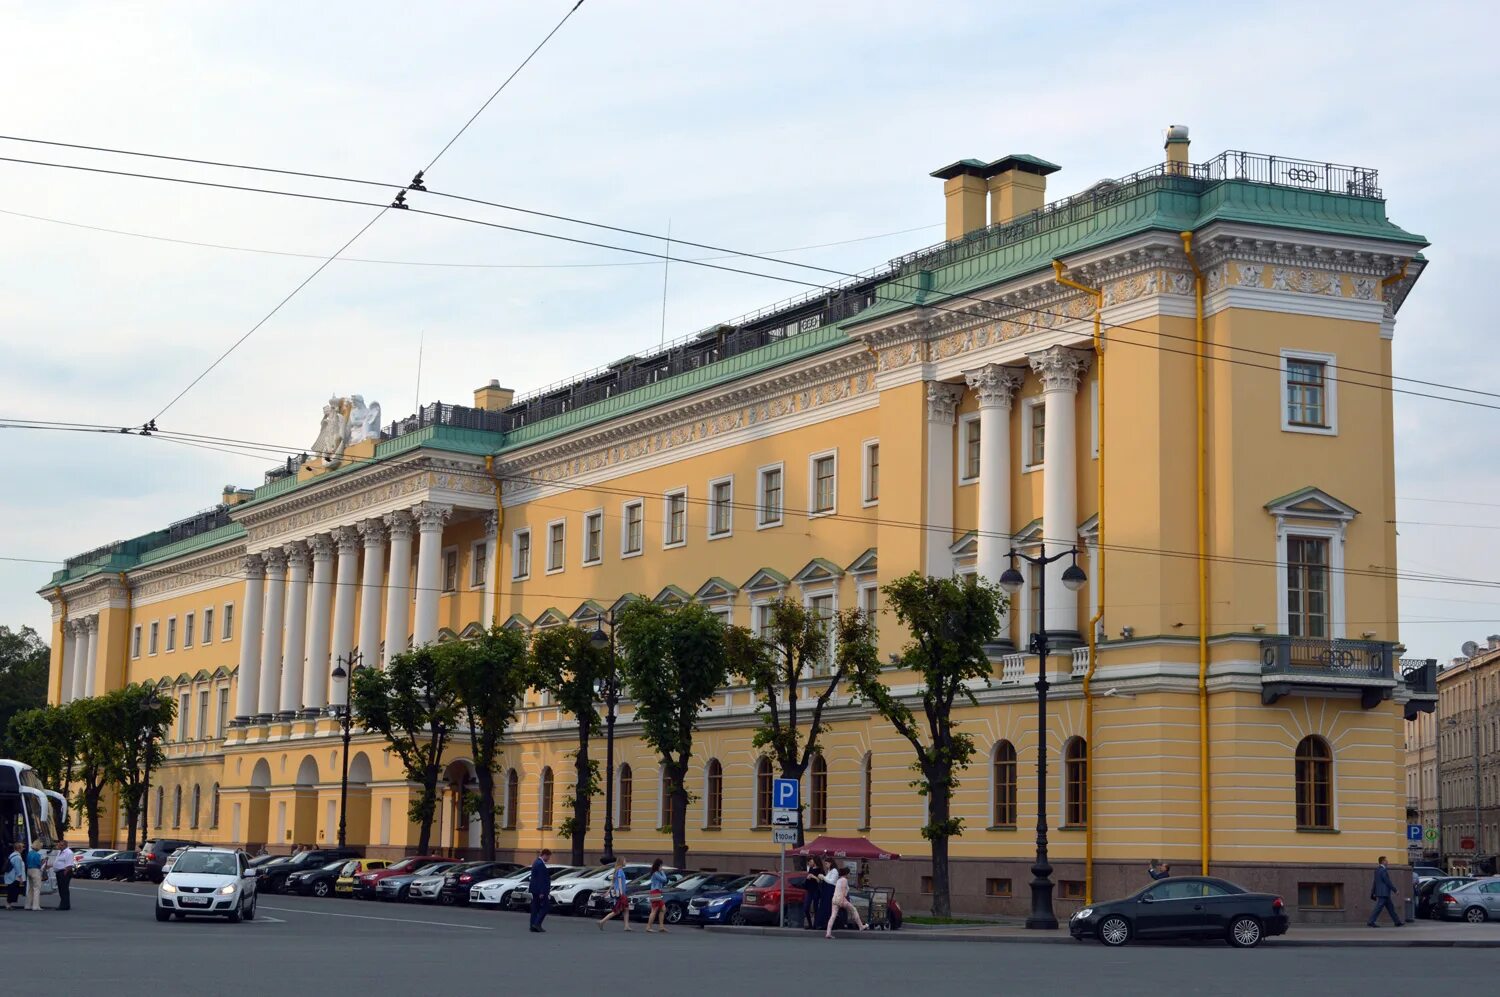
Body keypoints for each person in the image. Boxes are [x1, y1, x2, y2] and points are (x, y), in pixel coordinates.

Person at [825, 862, 867, 938]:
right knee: (853, 909)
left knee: (833, 916)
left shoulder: (838, 880)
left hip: (834, 899)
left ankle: (828, 933)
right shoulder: (844, 880)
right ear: (846, 874)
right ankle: (861, 926)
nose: (850, 875)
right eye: (849, 874)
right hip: (841, 899)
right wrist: (842, 901)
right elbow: (844, 891)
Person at [1367, 855, 1404, 927]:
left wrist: (1373, 891)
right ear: (1382, 861)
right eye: (1386, 860)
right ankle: (1370, 922)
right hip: (1384, 893)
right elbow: (1387, 881)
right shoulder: (1383, 870)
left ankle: (1397, 922)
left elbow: (1375, 882)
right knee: (1378, 908)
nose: (1387, 862)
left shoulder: (1377, 870)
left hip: (1382, 893)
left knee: (1391, 908)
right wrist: (1395, 890)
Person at [599, 856, 632, 932]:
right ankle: (602, 922)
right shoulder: (620, 870)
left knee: (626, 909)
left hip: (619, 893)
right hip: (620, 893)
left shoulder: (617, 870)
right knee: (617, 911)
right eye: (625, 861)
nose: (625, 862)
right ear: (621, 862)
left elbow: (613, 883)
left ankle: (626, 926)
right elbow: (619, 882)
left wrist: (608, 891)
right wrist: (621, 893)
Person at [528, 848, 553, 933]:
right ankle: (537, 924)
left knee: (535, 907)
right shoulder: (540, 864)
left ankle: (532, 925)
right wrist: (542, 892)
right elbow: (541, 879)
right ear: (545, 855)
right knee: (546, 907)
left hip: (535, 889)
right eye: (548, 857)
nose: (549, 859)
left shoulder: (536, 862)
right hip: (540, 890)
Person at [645, 859, 670, 933]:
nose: (662, 867)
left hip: (658, 892)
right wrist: (662, 871)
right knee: (654, 910)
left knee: (663, 909)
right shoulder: (656, 873)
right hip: (655, 892)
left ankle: (661, 927)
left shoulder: (656, 873)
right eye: (661, 865)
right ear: (658, 865)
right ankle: (648, 927)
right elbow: (664, 879)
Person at [53, 838, 76, 911]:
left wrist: (64, 874)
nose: (59, 846)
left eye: (61, 845)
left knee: (64, 889)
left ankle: (64, 905)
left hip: (64, 872)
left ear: (65, 845)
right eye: (59, 845)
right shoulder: (60, 852)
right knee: (61, 889)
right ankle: (64, 904)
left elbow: (69, 865)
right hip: (59, 872)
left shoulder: (68, 853)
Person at [803, 858, 824, 929]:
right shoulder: (811, 869)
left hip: (816, 891)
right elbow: (808, 881)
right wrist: (808, 878)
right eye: (809, 861)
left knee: (815, 908)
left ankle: (815, 925)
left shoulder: (820, 870)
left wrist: (813, 877)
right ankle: (810, 924)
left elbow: (820, 881)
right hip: (809, 890)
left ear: (815, 861)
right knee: (806, 908)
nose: (809, 863)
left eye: (811, 861)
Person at [25, 839, 44, 911]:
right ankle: (35, 906)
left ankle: (28, 905)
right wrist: (43, 862)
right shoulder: (37, 855)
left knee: (30, 888)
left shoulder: (29, 853)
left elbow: (27, 862)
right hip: (35, 870)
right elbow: (38, 864)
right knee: (37, 888)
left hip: (29, 870)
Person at [4, 842, 23, 909]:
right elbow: (18, 868)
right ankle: (8, 904)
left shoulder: (12, 855)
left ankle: (8, 904)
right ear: (19, 849)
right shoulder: (18, 857)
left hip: (9, 875)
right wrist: (20, 877)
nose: (23, 849)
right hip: (14, 876)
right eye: (22, 847)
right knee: (13, 890)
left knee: (10, 890)